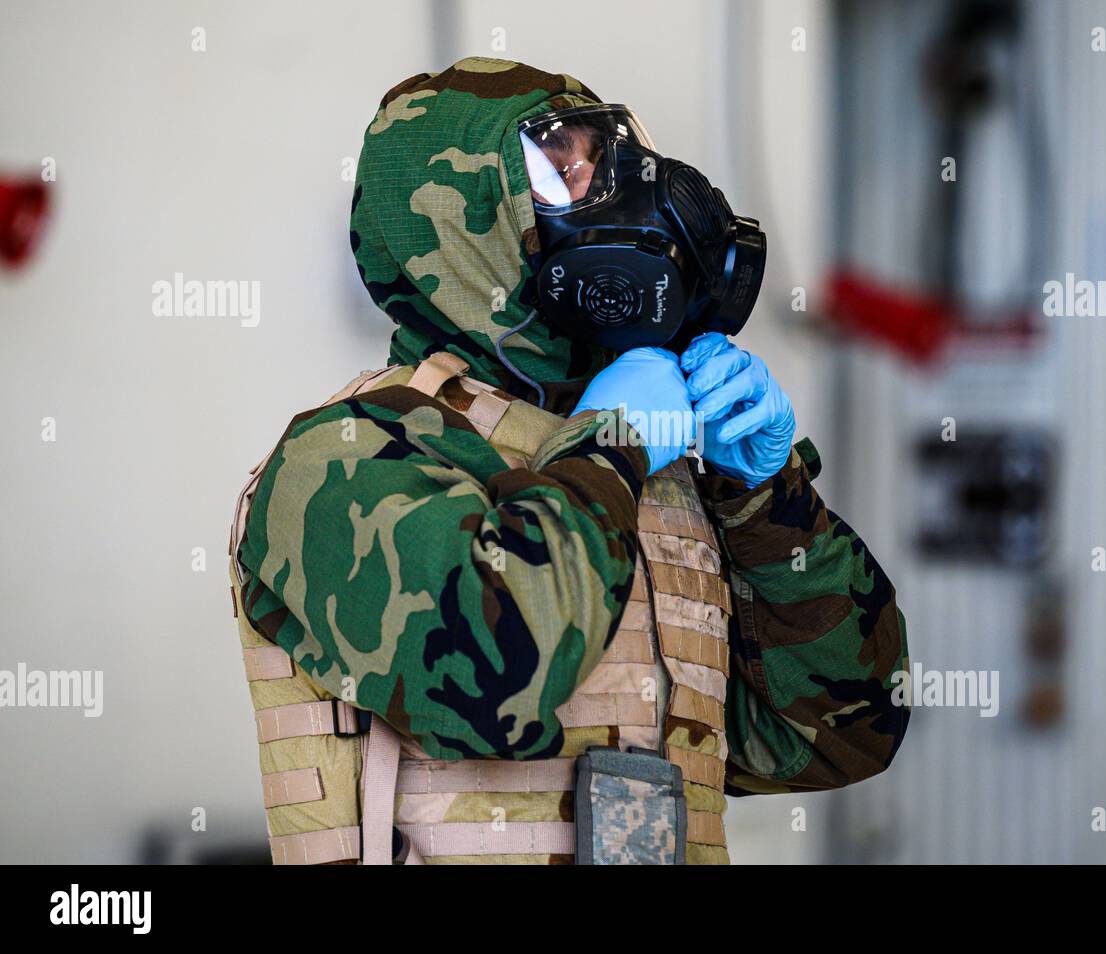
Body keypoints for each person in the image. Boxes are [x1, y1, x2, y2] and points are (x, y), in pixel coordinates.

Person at [228, 56, 909, 866]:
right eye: (564, 168)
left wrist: (763, 497)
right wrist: (612, 445)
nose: (617, 190)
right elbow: (498, 677)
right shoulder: (338, 463)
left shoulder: (651, 478)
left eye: (605, 157)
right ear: (467, 219)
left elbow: (845, 732)